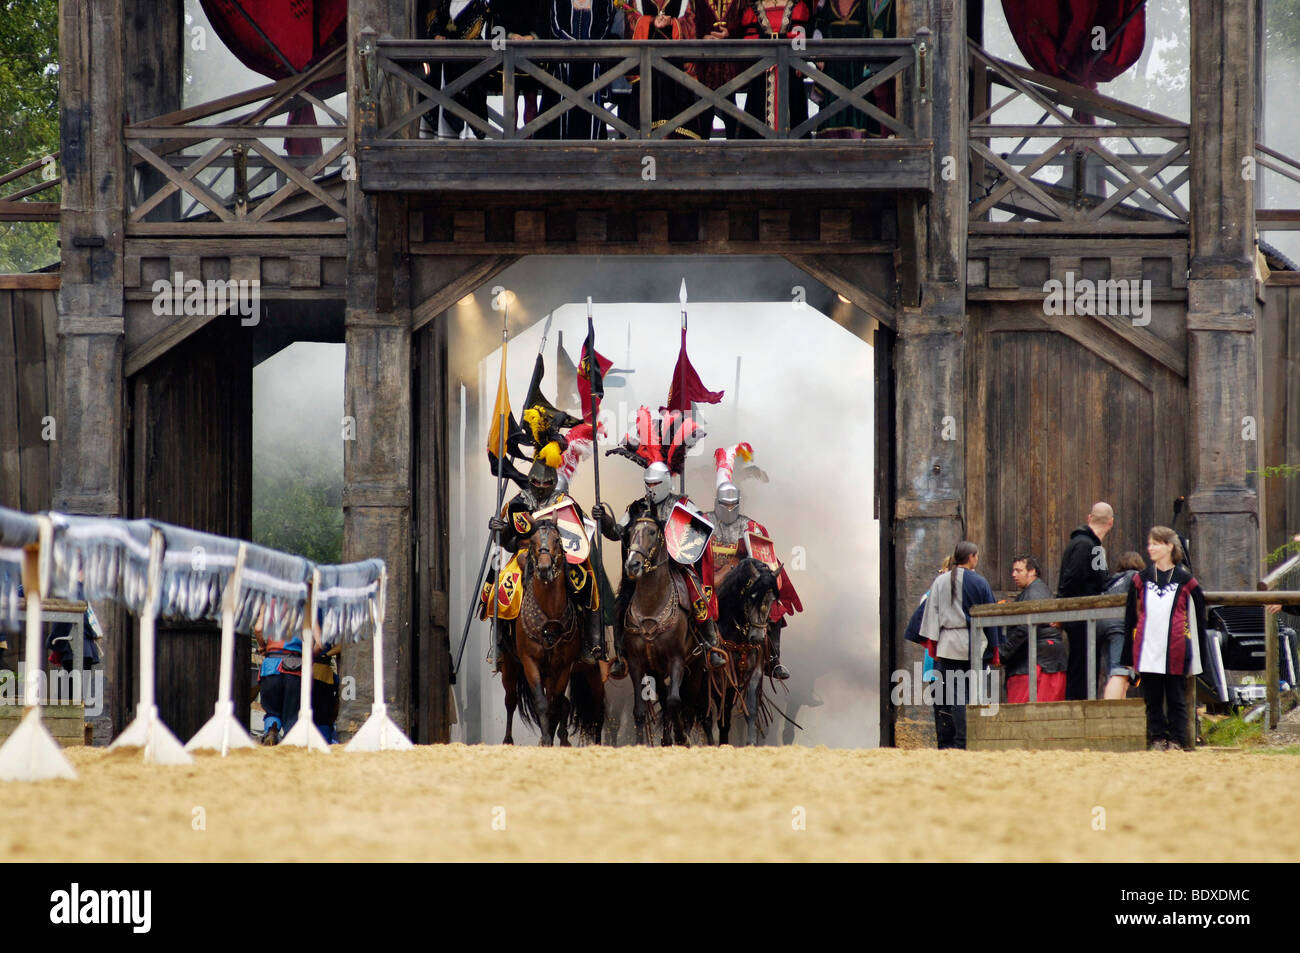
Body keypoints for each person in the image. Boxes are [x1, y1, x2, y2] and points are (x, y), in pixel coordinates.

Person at [594, 460, 727, 669]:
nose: (652, 488)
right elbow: (618, 532)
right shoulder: (636, 507)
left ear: (665, 482)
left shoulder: (683, 504)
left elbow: (700, 530)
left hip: (675, 566)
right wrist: (605, 522)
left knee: (697, 595)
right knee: (621, 603)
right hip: (640, 569)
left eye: (656, 483)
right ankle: (620, 653)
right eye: (649, 483)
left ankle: (709, 645)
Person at [485, 455, 614, 670]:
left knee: (587, 585)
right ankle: (498, 645)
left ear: (553, 482)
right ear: (531, 480)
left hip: (558, 556)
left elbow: (580, 533)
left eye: (546, 483)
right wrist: (499, 528)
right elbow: (507, 542)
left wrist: (599, 518)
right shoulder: (518, 503)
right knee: (501, 589)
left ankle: (591, 644)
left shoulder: (564, 502)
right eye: (537, 482)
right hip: (525, 555)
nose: (541, 486)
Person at [701, 446, 801, 679]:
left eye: (732, 504)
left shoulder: (752, 527)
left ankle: (774, 660)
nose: (728, 508)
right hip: (706, 579)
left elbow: (764, 559)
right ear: (717, 502)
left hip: (737, 583)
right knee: (686, 605)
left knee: (771, 606)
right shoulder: (702, 521)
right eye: (724, 504)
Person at [1121, 526, 1207, 751]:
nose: (1150, 548)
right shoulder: (1140, 580)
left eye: (1156, 543)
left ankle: (1178, 740)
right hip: (1148, 646)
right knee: (1152, 699)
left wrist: (1200, 655)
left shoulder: (1187, 581)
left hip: (1176, 647)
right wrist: (1128, 654)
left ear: (1169, 546)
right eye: (1149, 544)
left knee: (1177, 698)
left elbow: (1199, 617)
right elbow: (1130, 618)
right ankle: (1156, 738)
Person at [918, 541, 1001, 749]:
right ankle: (968, 740)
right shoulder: (980, 582)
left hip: (948, 645)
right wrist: (995, 648)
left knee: (956, 694)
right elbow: (990, 617)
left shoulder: (940, 582)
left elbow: (931, 616)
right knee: (974, 693)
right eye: (977, 556)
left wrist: (933, 648)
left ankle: (960, 742)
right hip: (974, 645)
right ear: (972, 557)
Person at [727, 0, 815, 137]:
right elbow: (749, 39)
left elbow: (801, 39)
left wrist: (786, 54)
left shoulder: (798, 6)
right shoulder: (753, 9)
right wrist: (766, 55)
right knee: (757, 116)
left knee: (795, 116)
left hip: (790, 72)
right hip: (761, 73)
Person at [1056, 501, 1114, 699]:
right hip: (1080, 615)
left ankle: (1083, 704)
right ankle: (1077, 708)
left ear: (1089, 518)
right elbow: (1072, 579)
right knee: (1082, 665)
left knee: (1087, 664)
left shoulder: (1092, 546)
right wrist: (1060, 609)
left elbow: (1101, 580)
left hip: (1084, 617)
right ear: (1111, 523)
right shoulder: (1086, 545)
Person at [811, 0, 893, 139]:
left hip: (858, 66)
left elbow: (872, 27)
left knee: (860, 103)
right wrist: (818, 50)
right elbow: (818, 27)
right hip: (833, 67)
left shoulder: (866, 3)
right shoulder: (825, 4)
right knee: (833, 106)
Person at [623, 0, 701, 139]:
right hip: (647, 66)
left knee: (677, 121)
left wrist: (672, 22)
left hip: (676, 67)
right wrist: (650, 21)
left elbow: (691, 25)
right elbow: (631, 25)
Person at [543, 0, 618, 139]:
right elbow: (556, 26)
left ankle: (591, 148)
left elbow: (605, 25)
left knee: (591, 107)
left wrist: (588, 47)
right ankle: (562, 149)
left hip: (592, 61)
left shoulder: (604, 3)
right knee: (562, 107)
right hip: (565, 61)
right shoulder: (558, 2)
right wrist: (574, 45)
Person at [1000, 555, 1066, 703]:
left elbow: (1025, 628)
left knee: (1026, 714)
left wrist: (1003, 653)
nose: (1013, 575)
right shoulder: (1036, 591)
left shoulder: (1034, 593)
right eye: (1013, 571)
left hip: (1036, 664)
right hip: (1044, 661)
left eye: (1018, 570)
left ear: (1031, 572)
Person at [423, 0, 491, 138]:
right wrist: (436, 35)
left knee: (470, 94)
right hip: (444, 61)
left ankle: (469, 133)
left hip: (470, 60)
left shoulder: (479, 4)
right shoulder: (446, 4)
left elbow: (472, 30)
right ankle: (442, 133)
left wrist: (448, 39)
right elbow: (435, 21)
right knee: (438, 87)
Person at [1097, 551, 1145, 699]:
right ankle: (1109, 714)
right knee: (1121, 671)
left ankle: (1119, 712)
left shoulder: (1112, 580)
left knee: (1113, 672)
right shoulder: (1136, 576)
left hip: (1100, 624)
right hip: (1119, 626)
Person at [693, 0, 740, 138]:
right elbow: (689, 21)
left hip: (729, 62)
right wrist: (701, 37)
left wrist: (729, 32)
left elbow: (744, 22)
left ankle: (734, 150)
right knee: (705, 110)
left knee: (730, 108)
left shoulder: (739, 3)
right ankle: (702, 150)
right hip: (705, 62)